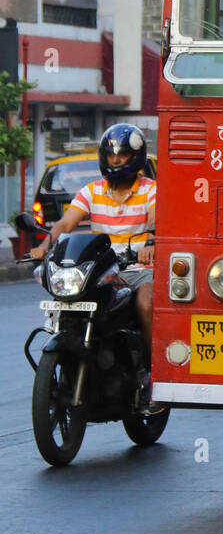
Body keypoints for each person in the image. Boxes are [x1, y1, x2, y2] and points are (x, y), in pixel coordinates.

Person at [30, 124, 158, 398]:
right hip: (104, 269)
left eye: (121, 155)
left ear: (135, 156)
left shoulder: (151, 190)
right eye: (111, 155)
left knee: (146, 302)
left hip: (138, 267)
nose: (115, 160)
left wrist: (151, 242)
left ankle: (152, 372)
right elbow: (65, 224)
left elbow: (158, 219)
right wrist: (44, 247)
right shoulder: (91, 191)